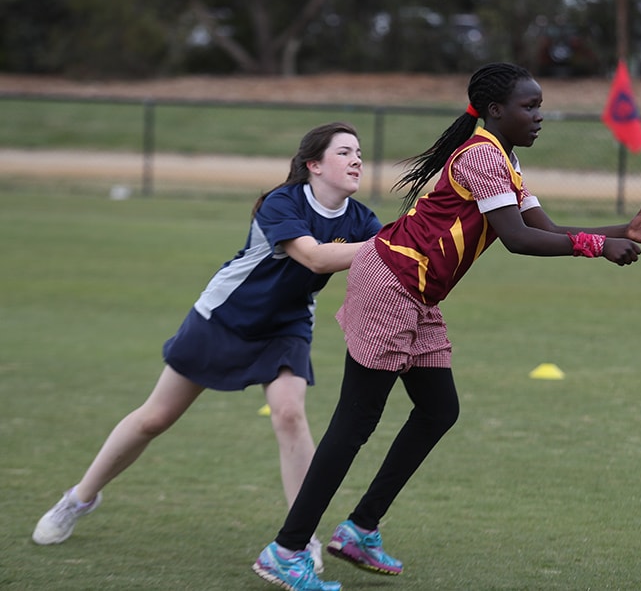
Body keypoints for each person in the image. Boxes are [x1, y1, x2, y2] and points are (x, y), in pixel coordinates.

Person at [251, 61, 641, 591]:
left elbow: (540, 229)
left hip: (416, 291)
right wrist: (598, 246)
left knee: (438, 410)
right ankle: (287, 549)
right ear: (496, 111)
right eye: (530, 106)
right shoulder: (481, 156)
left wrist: (623, 230)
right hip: (389, 281)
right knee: (357, 420)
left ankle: (359, 529)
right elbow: (520, 241)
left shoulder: (504, 160)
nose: (540, 116)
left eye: (540, 105)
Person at [32, 122, 381, 576]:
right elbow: (316, 257)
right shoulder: (283, 202)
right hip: (224, 317)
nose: (357, 160)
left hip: (287, 324)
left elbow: (392, 259)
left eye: (359, 152)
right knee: (155, 417)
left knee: (290, 414)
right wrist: (387, 245)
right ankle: (78, 499)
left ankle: (299, 537)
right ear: (314, 165)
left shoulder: (361, 219)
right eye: (344, 152)